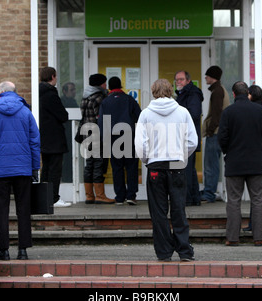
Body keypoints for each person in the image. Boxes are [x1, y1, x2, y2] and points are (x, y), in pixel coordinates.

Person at [135, 79, 197, 261]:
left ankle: (164, 252)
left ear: (153, 91)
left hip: (155, 166)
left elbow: (140, 144)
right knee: (179, 209)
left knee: (159, 212)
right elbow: (192, 141)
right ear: (170, 91)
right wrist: (180, 154)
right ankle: (184, 250)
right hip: (177, 164)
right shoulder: (183, 112)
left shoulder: (146, 114)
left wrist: (148, 159)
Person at [0, 81, 40, 260]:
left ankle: (4, 250)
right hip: (23, 167)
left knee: (2, 209)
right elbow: (34, 141)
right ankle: (23, 250)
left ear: (0, 92)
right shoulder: (25, 111)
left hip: (0, 168)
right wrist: (35, 166)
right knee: (23, 209)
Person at [218, 81, 262, 246]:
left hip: (234, 163)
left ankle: (233, 238)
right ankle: (259, 237)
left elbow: (222, 138)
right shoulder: (261, 111)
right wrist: (260, 149)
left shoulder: (228, 112)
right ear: (248, 93)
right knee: (257, 200)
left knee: (234, 201)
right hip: (256, 162)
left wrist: (229, 151)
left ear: (234, 94)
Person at [98, 77, 141, 205]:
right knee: (131, 166)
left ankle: (120, 196)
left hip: (113, 137)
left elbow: (101, 122)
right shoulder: (129, 99)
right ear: (121, 86)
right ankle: (131, 195)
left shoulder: (105, 102)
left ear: (110, 87)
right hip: (128, 135)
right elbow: (139, 115)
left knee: (117, 167)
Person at [80, 73, 115, 204]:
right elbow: (101, 118)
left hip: (86, 134)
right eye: (104, 83)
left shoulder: (85, 96)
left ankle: (89, 195)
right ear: (100, 84)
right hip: (97, 134)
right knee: (99, 164)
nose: (106, 85)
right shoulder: (99, 97)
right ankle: (100, 195)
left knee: (89, 164)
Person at [39, 67, 71, 207]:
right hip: (54, 139)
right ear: (52, 76)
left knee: (45, 169)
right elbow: (63, 115)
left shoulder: (39, 93)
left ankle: (43, 197)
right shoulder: (51, 94)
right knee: (54, 170)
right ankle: (53, 198)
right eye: (56, 76)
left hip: (43, 138)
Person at [201, 66, 230, 203]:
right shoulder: (220, 90)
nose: (205, 77)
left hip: (216, 133)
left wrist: (210, 130)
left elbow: (217, 113)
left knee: (210, 165)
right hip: (219, 132)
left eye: (207, 75)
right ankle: (209, 190)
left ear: (213, 77)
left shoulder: (217, 92)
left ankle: (209, 193)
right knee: (212, 164)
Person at [174, 70, 203, 206]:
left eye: (181, 79)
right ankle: (193, 198)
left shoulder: (192, 94)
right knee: (189, 170)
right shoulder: (184, 93)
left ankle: (187, 199)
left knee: (185, 169)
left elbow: (194, 114)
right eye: (177, 80)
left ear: (188, 81)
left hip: (187, 137)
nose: (178, 82)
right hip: (186, 136)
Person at [243, 84, 262, 232]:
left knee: (255, 195)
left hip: (254, 156)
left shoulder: (252, 111)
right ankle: (257, 225)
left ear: (250, 96)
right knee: (258, 195)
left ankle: (255, 224)